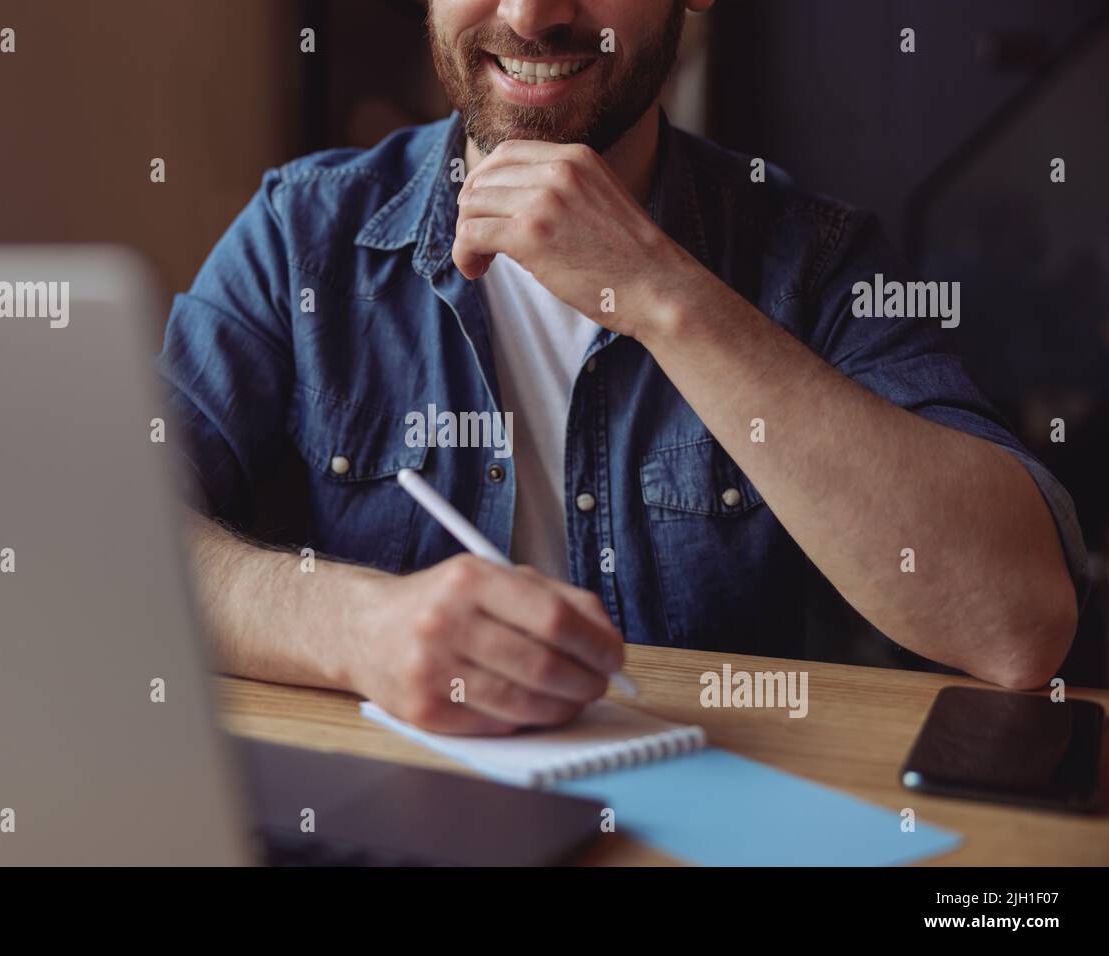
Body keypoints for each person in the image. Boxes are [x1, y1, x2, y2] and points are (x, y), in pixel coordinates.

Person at [156, 0, 1086, 734]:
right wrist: (360, 630)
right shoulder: (299, 238)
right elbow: (107, 532)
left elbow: (1017, 625)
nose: (531, 14)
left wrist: (661, 293)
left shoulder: (818, 262)